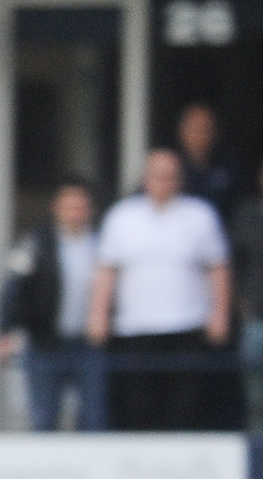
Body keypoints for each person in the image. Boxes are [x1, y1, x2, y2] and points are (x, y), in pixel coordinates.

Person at [89, 148, 233, 431]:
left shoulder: (200, 215)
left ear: (180, 179)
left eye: (170, 176)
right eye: (157, 176)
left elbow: (218, 269)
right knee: (138, 408)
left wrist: (220, 315)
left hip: (187, 327)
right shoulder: (122, 216)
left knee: (187, 407)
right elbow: (106, 271)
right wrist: (97, 315)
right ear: (145, 178)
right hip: (135, 329)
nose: (163, 182)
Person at [0, 180, 106, 431]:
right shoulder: (36, 243)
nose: (75, 212)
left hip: (89, 342)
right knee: (45, 416)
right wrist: (6, 329)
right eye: (69, 206)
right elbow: (14, 286)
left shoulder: (101, 243)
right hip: (45, 341)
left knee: (94, 417)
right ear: (56, 207)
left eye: (80, 206)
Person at [232, 160, 263, 431]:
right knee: (256, 395)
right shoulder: (248, 214)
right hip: (257, 317)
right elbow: (234, 262)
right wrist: (241, 301)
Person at [177, 102, 241, 231]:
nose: (200, 136)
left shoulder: (229, 171)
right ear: (182, 132)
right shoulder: (170, 170)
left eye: (205, 130)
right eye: (195, 130)